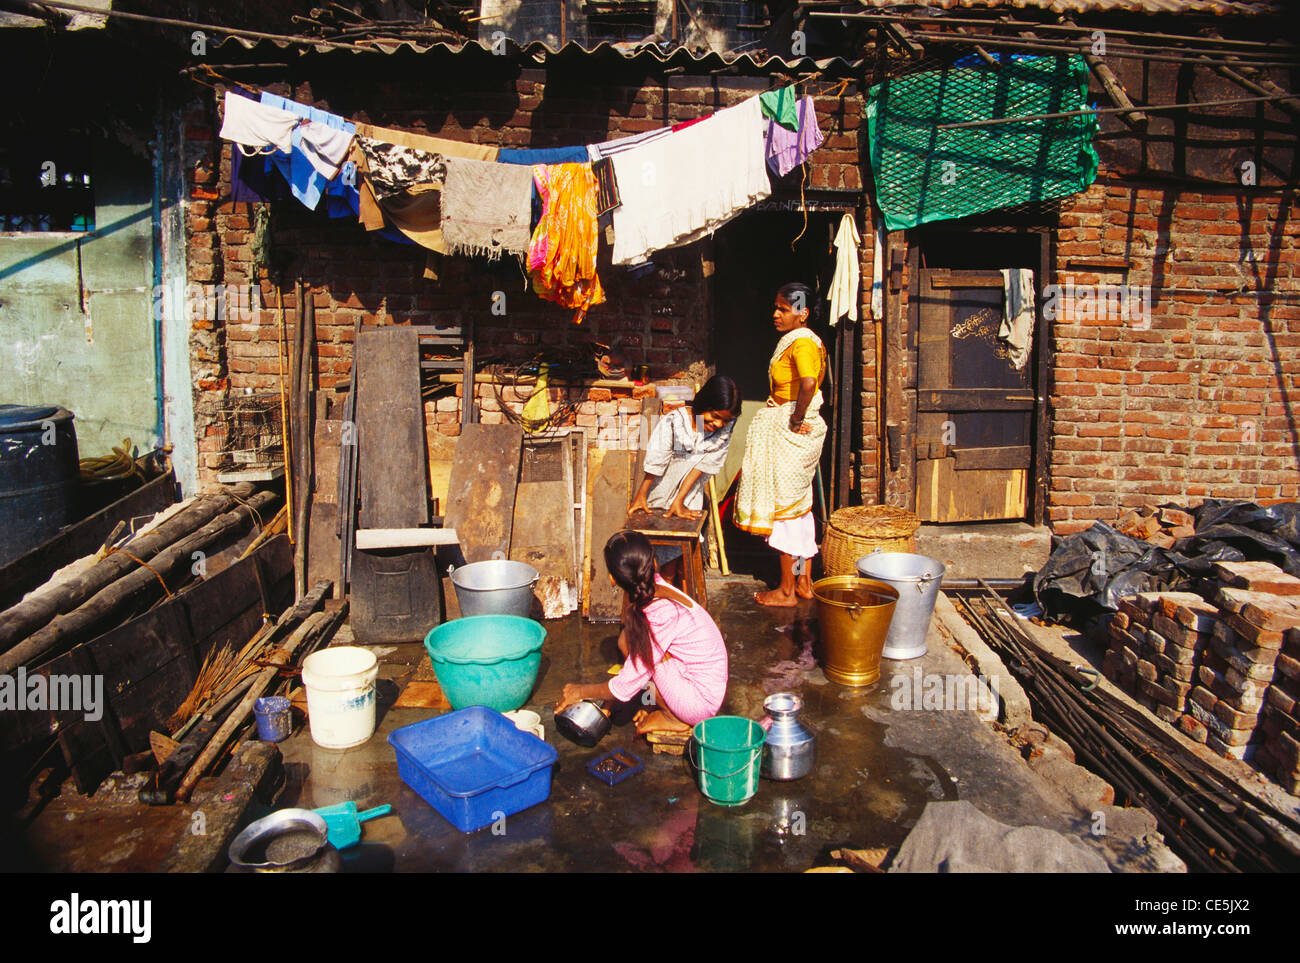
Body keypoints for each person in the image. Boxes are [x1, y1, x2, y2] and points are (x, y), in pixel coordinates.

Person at [556, 531, 728, 734]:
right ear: (654, 563)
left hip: (699, 704)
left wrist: (580, 691)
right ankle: (659, 704)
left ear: (612, 579)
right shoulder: (655, 586)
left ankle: (674, 718)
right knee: (626, 641)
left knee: (640, 660)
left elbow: (624, 687)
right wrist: (648, 702)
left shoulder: (661, 612)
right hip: (694, 683)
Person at [733, 282, 828, 606]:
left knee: (787, 512)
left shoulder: (801, 344)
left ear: (803, 314)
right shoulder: (807, 341)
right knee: (799, 510)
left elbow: (809, 382)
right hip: (795, 431)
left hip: (793, 431)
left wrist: (796, 418)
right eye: (775, 308)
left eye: (783, 309)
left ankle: (786, 590)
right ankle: (803, 581)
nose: (776, 314)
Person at [627, 374, 741, 583]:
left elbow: (703, 465)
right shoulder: (676, 421)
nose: (718, 424)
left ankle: (672, 602)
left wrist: (680, 500)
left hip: (690, 496)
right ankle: (656, 601)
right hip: (660, 491)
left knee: (675, 563)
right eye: (715, 416)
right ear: (704, 403)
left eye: (725, 420)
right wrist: (641, 494)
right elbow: (657, 460)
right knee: (654, 558)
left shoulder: (724, 429)